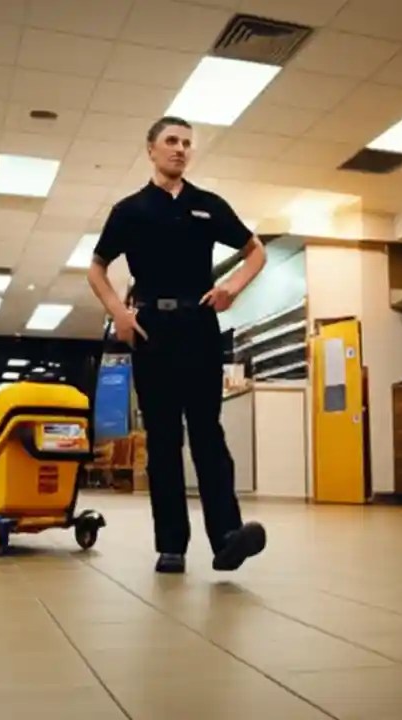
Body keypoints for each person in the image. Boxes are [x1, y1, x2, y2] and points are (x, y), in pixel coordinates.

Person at [87, 116, 268, 574]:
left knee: (208, 433)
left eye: (187, 143)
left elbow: (256, 251)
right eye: (171, 141)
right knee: (164, 440)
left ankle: (227, 535)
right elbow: (96, 267)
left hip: (199, 327)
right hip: (153, 332)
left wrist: (233, 287)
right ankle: (171, 545)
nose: (180, 149)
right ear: (151, 149)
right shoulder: (130, 210)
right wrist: (120, 313)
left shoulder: (208, 205)